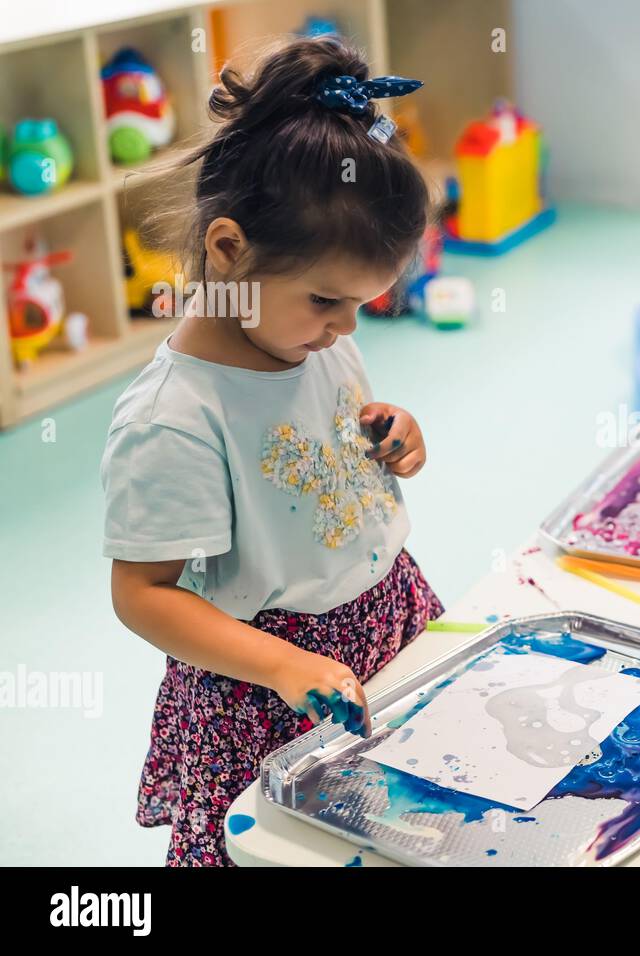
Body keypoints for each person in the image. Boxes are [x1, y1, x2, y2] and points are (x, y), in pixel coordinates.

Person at [100, 36, 443, 865]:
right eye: (329, 300)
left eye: (364, 301)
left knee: (402, 827)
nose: (348, 326)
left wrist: (395, 435)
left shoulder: (311, 339)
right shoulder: (174, 417)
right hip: (267, 684)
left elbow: (338, 432)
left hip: (388, 616)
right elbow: (142, 594)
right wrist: (284, 664)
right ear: (228, 251)